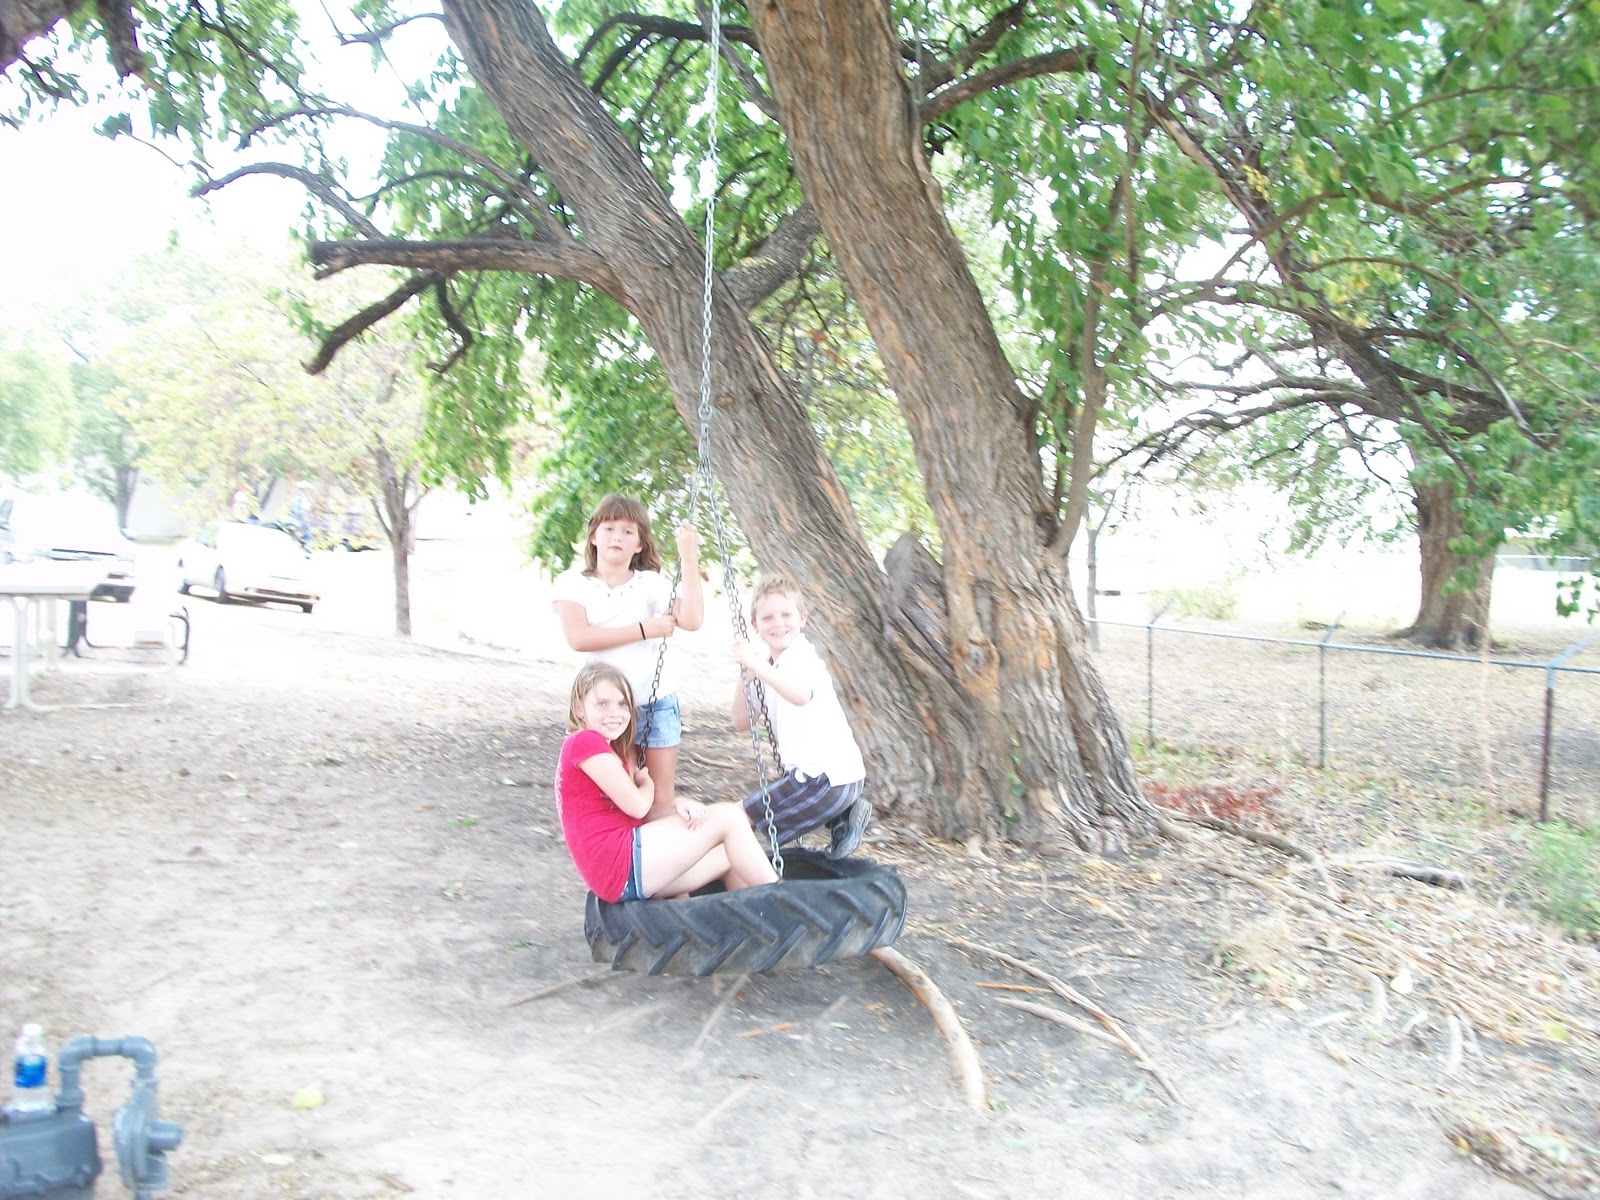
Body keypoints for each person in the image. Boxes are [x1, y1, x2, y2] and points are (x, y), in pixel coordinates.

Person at [557, 662, 780, 903]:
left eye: (622, 704)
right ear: (579, 708)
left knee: (728, 855)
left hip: (623, 870)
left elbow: (639, 812)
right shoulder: (583, 742)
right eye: (603, 704)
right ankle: (784, 900)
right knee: (730, 817)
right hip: (618, 865)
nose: (615, 712)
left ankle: (760, 927)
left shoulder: (611, 753)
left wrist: (677, 804)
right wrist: (647, 783)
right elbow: (638, 806)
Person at [552, 494, 704, 818]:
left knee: (658, 796)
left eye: (628, 531)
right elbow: (579, 638)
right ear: (593, 537)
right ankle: (629, 861)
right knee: (619, 796)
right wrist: (645, 629)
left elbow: (691, 620)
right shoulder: (573, 584)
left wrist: (689, 558)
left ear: (639, 544)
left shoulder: (650, 584)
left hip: (654, 701)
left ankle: (664, 864)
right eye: (609, 528)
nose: (617, 537)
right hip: (604, 707)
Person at [731, 574, 872, 859]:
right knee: (742, 819)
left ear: (803, 618)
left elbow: (800, 694)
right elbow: (741, 722)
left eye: (786, 614)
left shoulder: (802, 656)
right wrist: (744, 676)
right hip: (830, 782)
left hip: (824, 781)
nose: (778, 623)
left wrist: (756, 665)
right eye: (768, 617)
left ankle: (744, 879)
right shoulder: (768, 666)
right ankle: (843, 819)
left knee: (735, 819)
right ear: (755, 626)